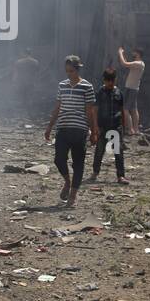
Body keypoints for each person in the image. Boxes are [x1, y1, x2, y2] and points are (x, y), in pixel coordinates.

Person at [45, 55, 98, 207]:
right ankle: (67, 182)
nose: (69, 74)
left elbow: (90, 111)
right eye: (67, 71)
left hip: (79, 129)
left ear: (78, 69)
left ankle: (73, 195)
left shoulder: (87, 87)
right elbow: (57, 107)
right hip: (63, 126)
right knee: (59, 159)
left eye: (72, 71)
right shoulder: (62, 85)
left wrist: (93, 131)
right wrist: (50, 126)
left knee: (78, 163)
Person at [91, 67, 128, 184]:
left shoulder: (118, 93)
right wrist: (95, 126)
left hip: (116, 126)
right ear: (104, 80)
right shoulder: (100, 93)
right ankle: (95, 172)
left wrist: (124, 125)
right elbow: (95, 110)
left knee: (118, 151)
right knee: (100, 150)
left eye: (112, 80)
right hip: (103, 127)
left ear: (115, 80)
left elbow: (122, 110)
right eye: (108, 80)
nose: (110, 83)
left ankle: (120, 176)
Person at [117, 46, 145, 135]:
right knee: (133, 109)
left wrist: (120, 53)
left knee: (125, 109)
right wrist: (124, 56)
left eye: (134, 52)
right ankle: (136, 129)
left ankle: (130, 130)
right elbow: (127, 63)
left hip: (131, 88)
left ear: (138, 53)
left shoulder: (138, 63)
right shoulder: (139, 64)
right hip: (133, 88)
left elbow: (124, 64)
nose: (133, 53)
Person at [13, 48, 40, 115]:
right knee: (29, 97)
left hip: (21, 82)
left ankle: (23, 111)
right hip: (31, 82)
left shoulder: (18, 62)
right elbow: (36, 73)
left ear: (23, 53)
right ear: (30, 53)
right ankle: (29, 111)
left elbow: (16, 73)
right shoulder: (35, 62)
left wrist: (14, 81)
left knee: (22, 97)